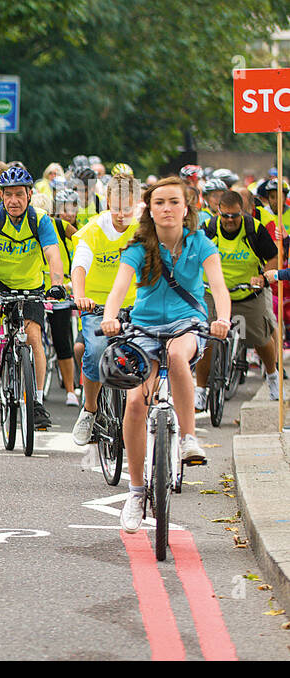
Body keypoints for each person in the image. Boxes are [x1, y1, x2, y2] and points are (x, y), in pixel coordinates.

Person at [100, 177, 230, 533]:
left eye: (174, 202)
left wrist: (222, 319)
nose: (167, 208)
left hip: (187, 324)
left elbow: (217, 286)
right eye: (160, 203)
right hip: (143, 328)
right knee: (135, 404)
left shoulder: (199, 243)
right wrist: (111, 318)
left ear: (186, 209)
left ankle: (188, 438)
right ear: (150, 210)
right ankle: (136, 492)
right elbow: (119, 288)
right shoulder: (139, 246)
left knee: (176, 356)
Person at [0, 165, 66, 430]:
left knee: (34, 337)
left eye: (19, 195)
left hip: (30, 284)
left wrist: (57, 284)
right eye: (8, 194)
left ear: (29, 195)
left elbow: (52, 254)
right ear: (1, 196)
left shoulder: (40, 219)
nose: (13, 201)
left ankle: (36, 402)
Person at [70, 175, 141, 446]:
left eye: (128, 207)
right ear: (108, 201)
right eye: (117, 206)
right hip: (97, 305)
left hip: (136, 304)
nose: (122, 214)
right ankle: (89, 410)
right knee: (96, 351)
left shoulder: (143, 230)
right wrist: (80, 296)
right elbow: (79, 266)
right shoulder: (93, 230)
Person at [195, 189, 283, 403]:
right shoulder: (209, 228)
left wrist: (263, 278)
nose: (230, 220)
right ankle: (200, 390)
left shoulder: (254, 229)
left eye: (234, 215)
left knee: (260, 338)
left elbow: (273, 257)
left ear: (242, 212)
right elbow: (193, 253)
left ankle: (272, 376)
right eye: (225, 215)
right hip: (214, 293)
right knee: (207, 341)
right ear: (219, 212)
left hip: (247, 293)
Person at [32, 192, 79, 407]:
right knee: (29, 338)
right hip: (33, 288)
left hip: (59, 287)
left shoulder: (60, 227)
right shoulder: (25, 228)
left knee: (63, 340)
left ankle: (71, 389)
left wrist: (74, 276)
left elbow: (83, 244)